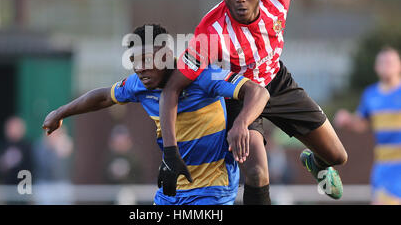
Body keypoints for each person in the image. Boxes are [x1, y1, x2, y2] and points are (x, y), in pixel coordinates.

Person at [158, 0, 348, 204]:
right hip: (239, 97)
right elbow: (172, 89)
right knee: (258, 173)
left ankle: (315, 162)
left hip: (277, 83)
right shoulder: (210, 33)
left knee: (337, 156)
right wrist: (170, 151)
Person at [42, 24, 269, 205]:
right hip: (170, 190)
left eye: (146, 59)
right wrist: (59, 113)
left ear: (167, 55)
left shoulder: (203, 75)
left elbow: (258, 92)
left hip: (212, 189)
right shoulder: (139, 85)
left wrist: (241, 123)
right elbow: (103, 97)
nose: (139, 68)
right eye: (134, 62)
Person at [334, 46, 401, 204]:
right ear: (376, 67)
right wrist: (347, 120)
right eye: (383, 62)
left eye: (391, 61)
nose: (387, 65)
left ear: (399, 65)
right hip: (383, 164)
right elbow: (362, 124)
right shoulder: (370, 95)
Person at [0, 116, 34, 185]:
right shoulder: (3, 146)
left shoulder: (27, 146)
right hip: (7, 185)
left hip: (24, 185)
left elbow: (31, 166)